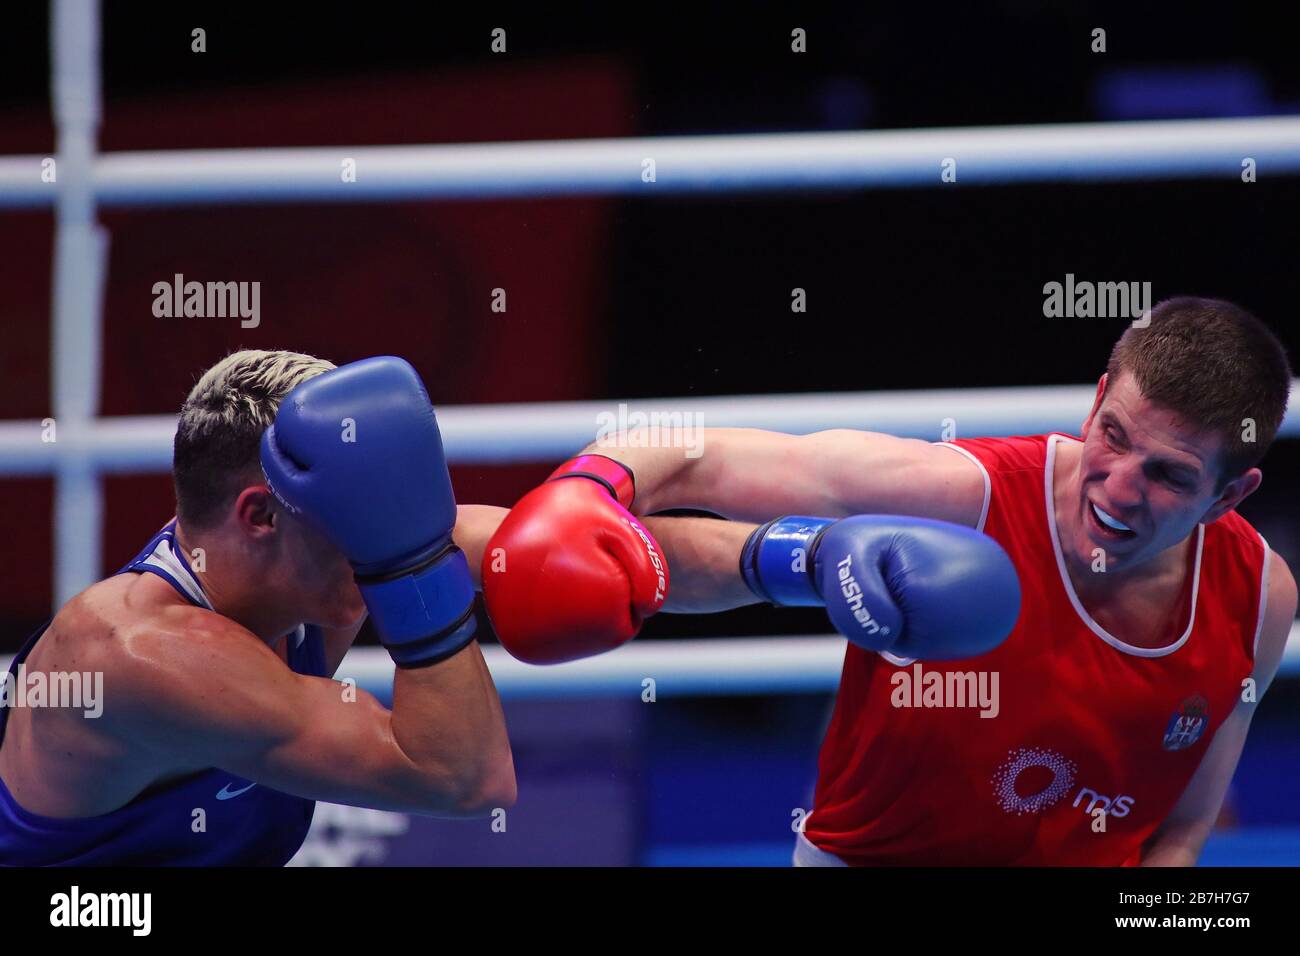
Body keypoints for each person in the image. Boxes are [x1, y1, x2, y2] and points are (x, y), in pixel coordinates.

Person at [481, 297, 1296, 866]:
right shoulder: (966, 494)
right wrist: (590, 487)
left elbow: (1185, 831)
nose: (1116, 486)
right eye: (1111, 436)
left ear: (1229, 496)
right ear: (1094, 403)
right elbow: (696, 448)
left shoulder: (1261, 597)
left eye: (1166, 475)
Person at [0, 351, 514, 865]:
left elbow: (515, 543)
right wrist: (413, 571)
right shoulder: (139, 654)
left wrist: (594, 473)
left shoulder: (301, 556)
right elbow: (462, 779)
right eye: (358, 510)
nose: (376, 530)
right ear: (262, 515)